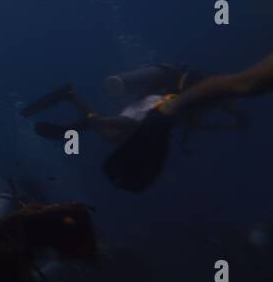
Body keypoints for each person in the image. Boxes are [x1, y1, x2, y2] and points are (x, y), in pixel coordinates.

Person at [105, 50, 273, 191]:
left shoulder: (192, 108)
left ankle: (128, 88)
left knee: (139, 111)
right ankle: (128, 90)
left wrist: (170, 109)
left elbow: (242, 85)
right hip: (171, 92)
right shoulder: (198, 107)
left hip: (169, 92)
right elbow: (244, 85)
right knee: (139, 112)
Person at [22, 64, 244, 147]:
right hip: (156, 105)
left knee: (113, 134)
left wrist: (229, 126)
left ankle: (72, 106)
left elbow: (191, 123)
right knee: (114, 130)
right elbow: (190, 119)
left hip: (156, 105)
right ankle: (72, 102)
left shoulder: (204, 103)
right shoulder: (204, 100)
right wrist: (231, 124)